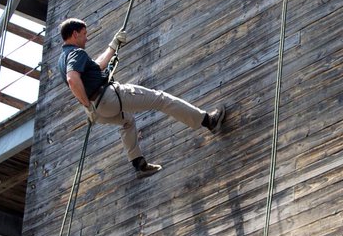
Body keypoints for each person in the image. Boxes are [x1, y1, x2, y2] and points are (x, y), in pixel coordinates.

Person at [58, 18, 227, 178]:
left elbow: (98, 66)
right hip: (107, 97)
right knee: (160, 99)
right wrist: (87, 106)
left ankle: (138, 164)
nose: (86, 38)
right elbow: (72, 79)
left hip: (100, 110)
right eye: (84, 34)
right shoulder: (77, 53)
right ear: (75, 34)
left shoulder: (63, 58)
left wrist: (113, 45)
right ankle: (208, 121)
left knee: (127, 121)